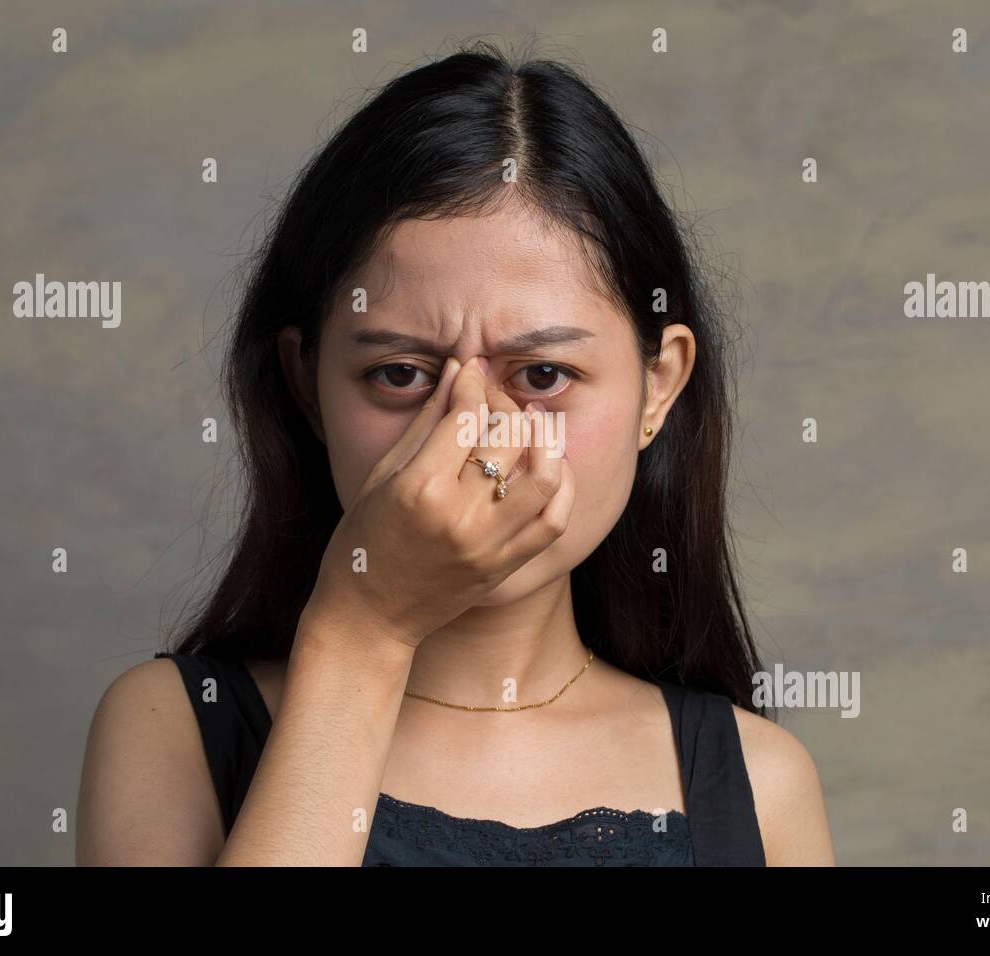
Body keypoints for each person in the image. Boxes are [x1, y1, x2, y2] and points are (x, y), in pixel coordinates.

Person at [76, 40, 834, 866]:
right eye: (399, 374)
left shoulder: (758, 784)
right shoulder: (173, 730)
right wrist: (364, 627)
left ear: (658, 388)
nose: (473, 436)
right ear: (307, 386)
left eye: (543, 374)